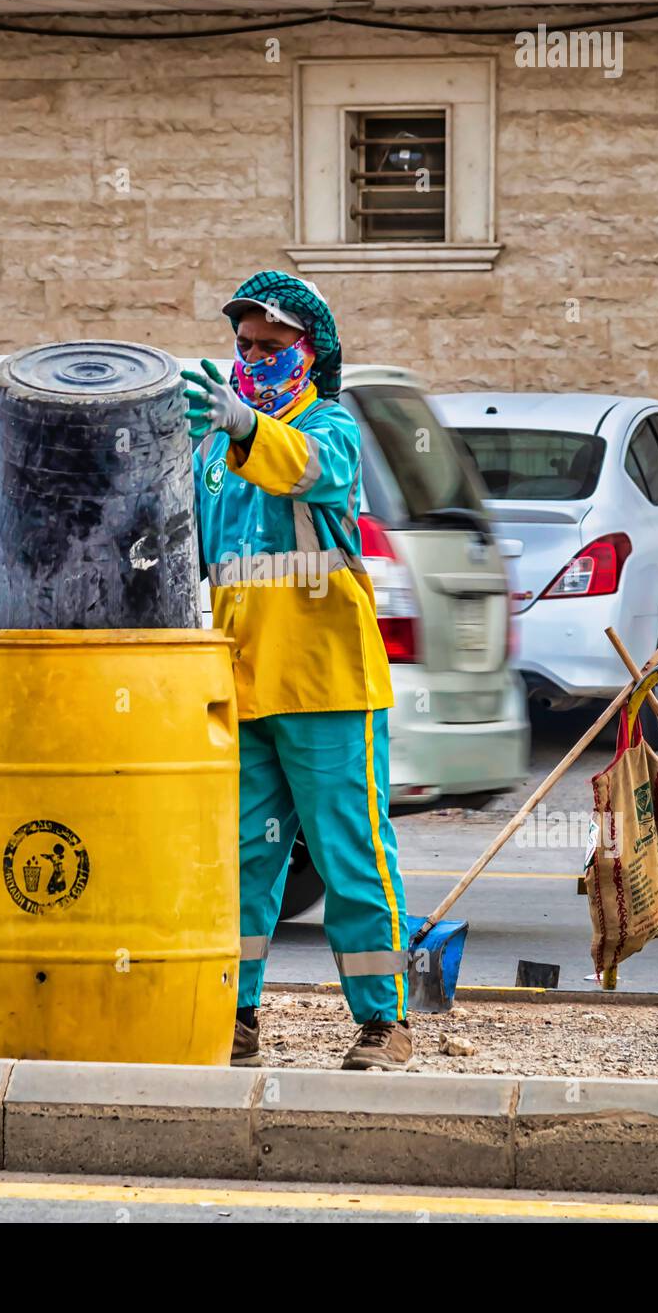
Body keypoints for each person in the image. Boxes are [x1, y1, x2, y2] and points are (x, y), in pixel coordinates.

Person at [182, 270, 412, 1071]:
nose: (253, 356)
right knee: (241, 862)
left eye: (271, 346)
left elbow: (309, 470)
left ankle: (385, 1023)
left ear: (310, 354)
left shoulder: (331, 430)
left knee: (352, 856)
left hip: (326, 685)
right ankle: (235, 1015)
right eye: (244, 346)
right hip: (240, 689)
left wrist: (244, 429)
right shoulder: (214, 450)